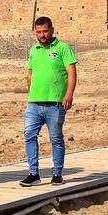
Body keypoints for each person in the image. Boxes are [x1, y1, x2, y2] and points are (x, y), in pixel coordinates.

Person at [20, 15, 77, 186]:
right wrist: (31, 92)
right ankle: (33, 173)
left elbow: (72, 72)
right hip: (34, 103)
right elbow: (30, 73)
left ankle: (57, 173)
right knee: (29, 135)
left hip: (55, 104)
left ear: (52, 30)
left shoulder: (62, 48)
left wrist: (69, 95)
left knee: (56, 138)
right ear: (35, 32)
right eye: (39, 32)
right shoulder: (33, 50)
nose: (42, 34)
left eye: (45, 31)